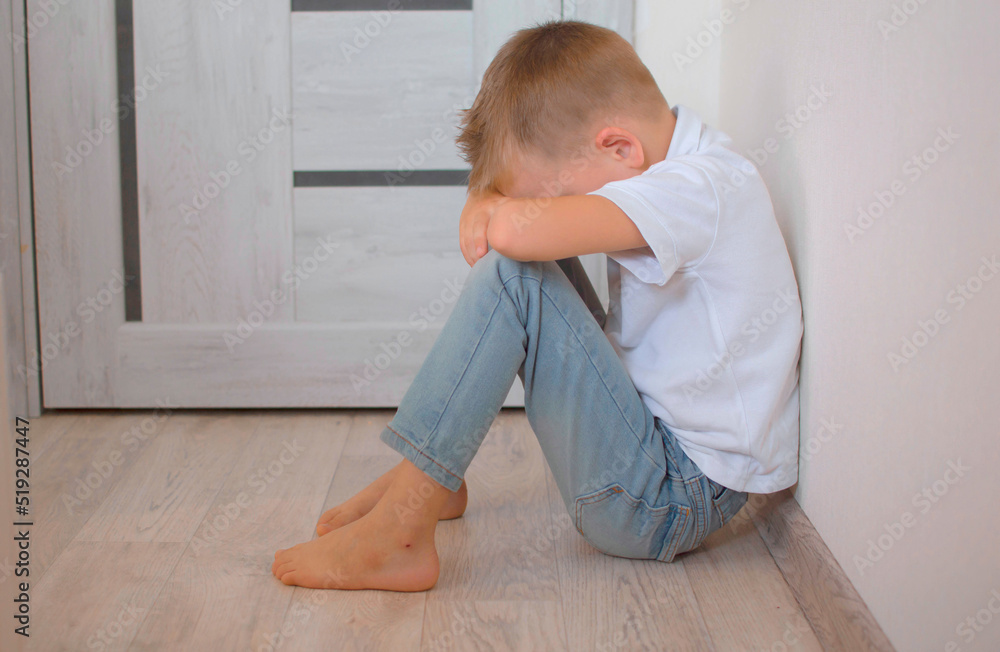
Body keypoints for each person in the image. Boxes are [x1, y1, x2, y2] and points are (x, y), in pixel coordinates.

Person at [272, 19, 803, 591]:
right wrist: (495, 194)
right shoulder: (687, 165)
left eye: (558, 200)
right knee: (524, 265)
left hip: (666, 500)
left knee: (514, 271)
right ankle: (431, 476)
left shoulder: (698, 190)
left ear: (619, 147)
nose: (556, 213)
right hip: (656, 453)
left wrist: (484, 199)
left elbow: (517, 238)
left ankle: (402, 532)